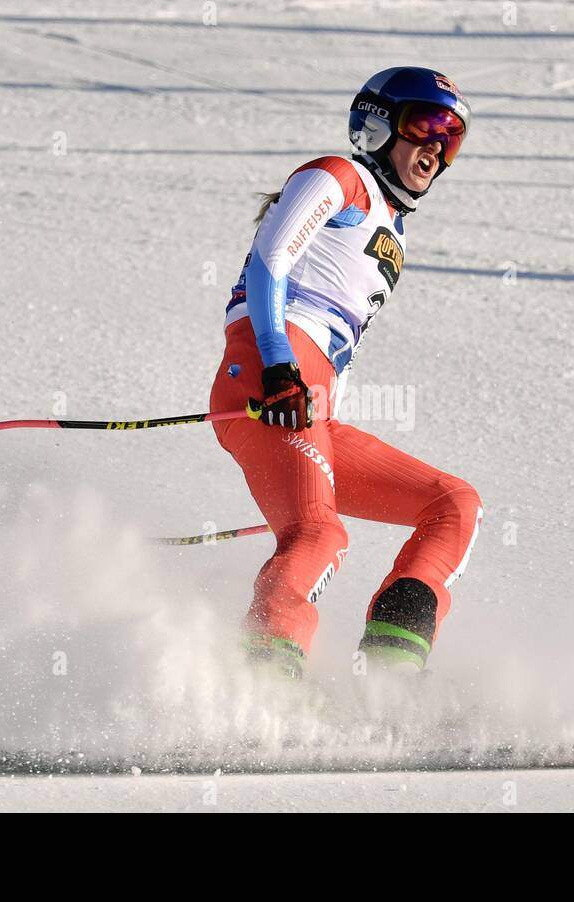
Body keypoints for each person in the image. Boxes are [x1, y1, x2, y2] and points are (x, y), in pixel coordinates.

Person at [209, 67, 483, 678]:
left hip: (313, 403)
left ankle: (392, 664)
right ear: (378, 122)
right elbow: (270, 260)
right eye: (426, 124)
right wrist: (280, 366)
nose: (437, 147)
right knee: (317, 534)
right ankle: (259, 679)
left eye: (453, 137)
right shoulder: (339, 177)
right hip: (267, 375)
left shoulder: (392, 226)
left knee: (453, 505)